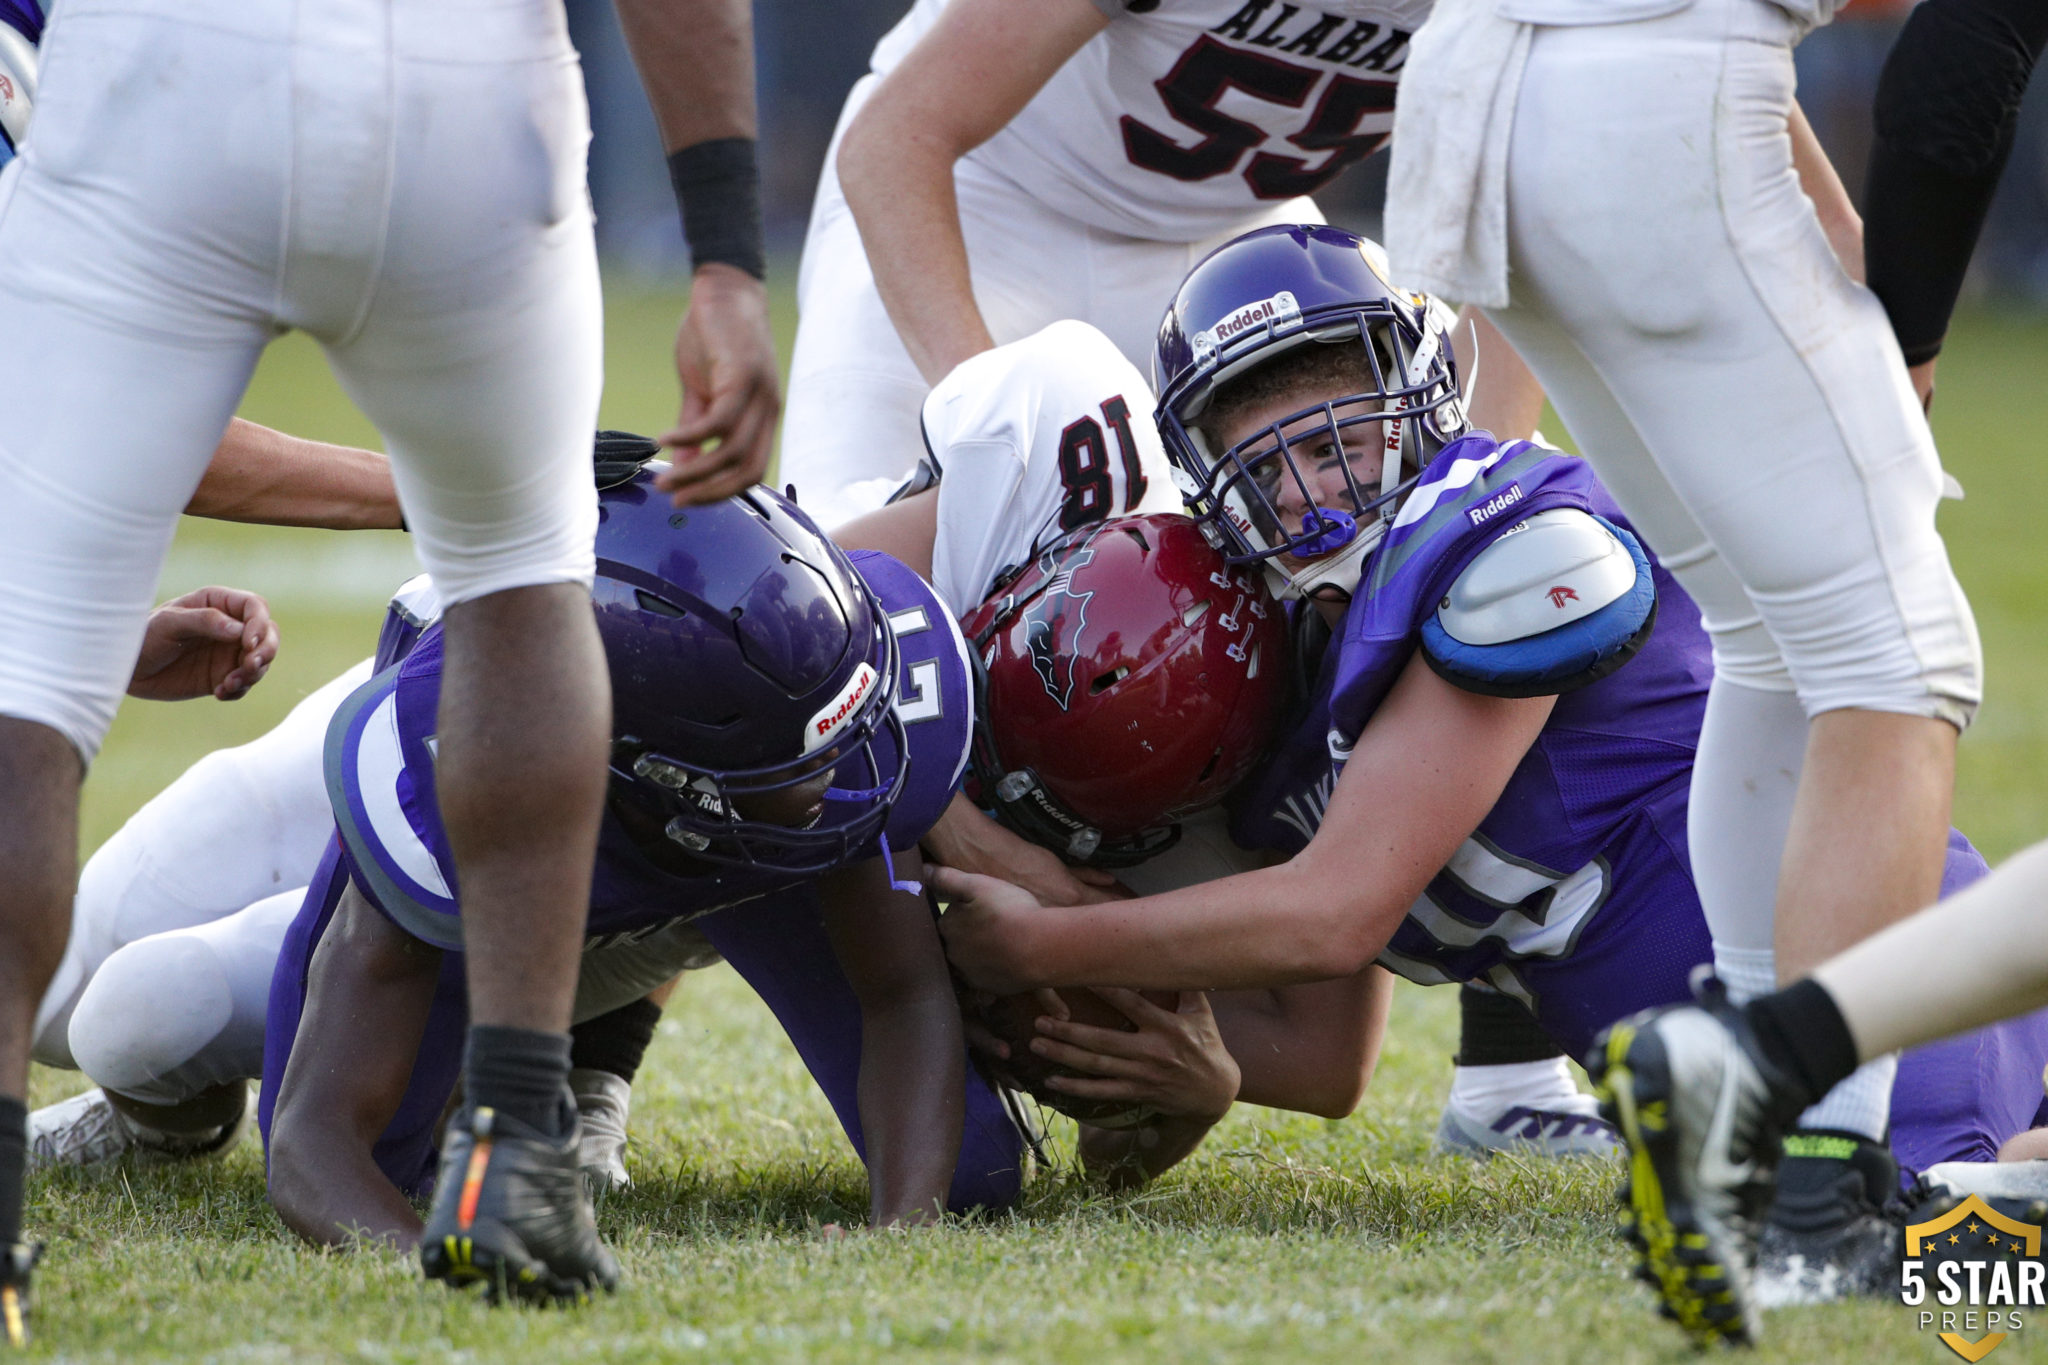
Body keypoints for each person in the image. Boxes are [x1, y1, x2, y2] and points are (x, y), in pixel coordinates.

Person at [927, 224, 2033, 1264]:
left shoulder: (1499, 550)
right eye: (1263, 469)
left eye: (1332, 441)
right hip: (1738, 1075)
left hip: (1872, 1003)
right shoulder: (1296, 676)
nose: (1308, 492)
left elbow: (1335, 910)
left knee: (1948, 1264)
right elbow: (1317, 1058)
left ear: (1415, 402)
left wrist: (1043, 944)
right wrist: (1195, 1069)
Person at [0, 0, 779, 1332]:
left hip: (166, 63)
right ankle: (520, 1146)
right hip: (463, 78)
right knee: (527, 574)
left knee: (31, 672)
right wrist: (724, 251)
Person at [1582, 0, 2048, 1344]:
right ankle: (1803, 1143)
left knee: (1788, 635)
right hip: (1654, 139)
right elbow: (1963, 58)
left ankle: (1770, 1084)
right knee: (1877, 648)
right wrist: (1903, 337)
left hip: (1532, 130)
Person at [261, 469, 1019, 1273]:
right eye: (784, 762)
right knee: (167, 1021)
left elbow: (903, 994)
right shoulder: (481, 752)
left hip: (711, 836)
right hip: (527, 869)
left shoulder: (817, 704)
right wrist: (445, 1270)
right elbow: (314, 1148)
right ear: (656, 766)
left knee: (970, 1172)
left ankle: (594, 1046)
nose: (837, 778)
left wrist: (902, 1234)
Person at [781, 0, 1551, 530]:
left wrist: (1462, 506)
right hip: (988, 194)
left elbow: (1539, 226)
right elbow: (896, 143)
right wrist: (994, 424)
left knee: (1521, 534)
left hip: (1237, 243)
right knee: (843, 595)